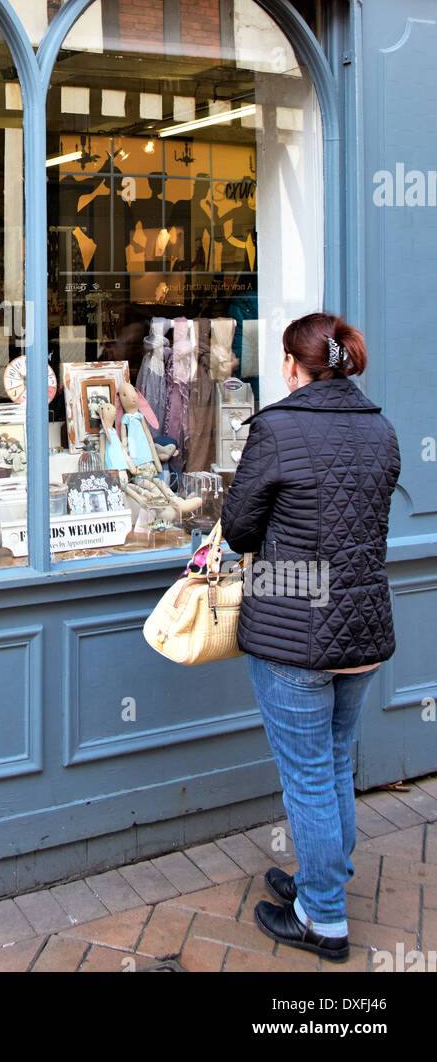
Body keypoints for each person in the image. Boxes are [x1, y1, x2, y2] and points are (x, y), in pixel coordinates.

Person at [220, 312, 400, 963]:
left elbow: (239, 528)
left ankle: (323, 919)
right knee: (334, 764)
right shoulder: (379, 426)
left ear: (295, 365)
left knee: (309, 778)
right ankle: (321, 883)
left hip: (295, 631)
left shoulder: (277, 426)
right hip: (364, 630)